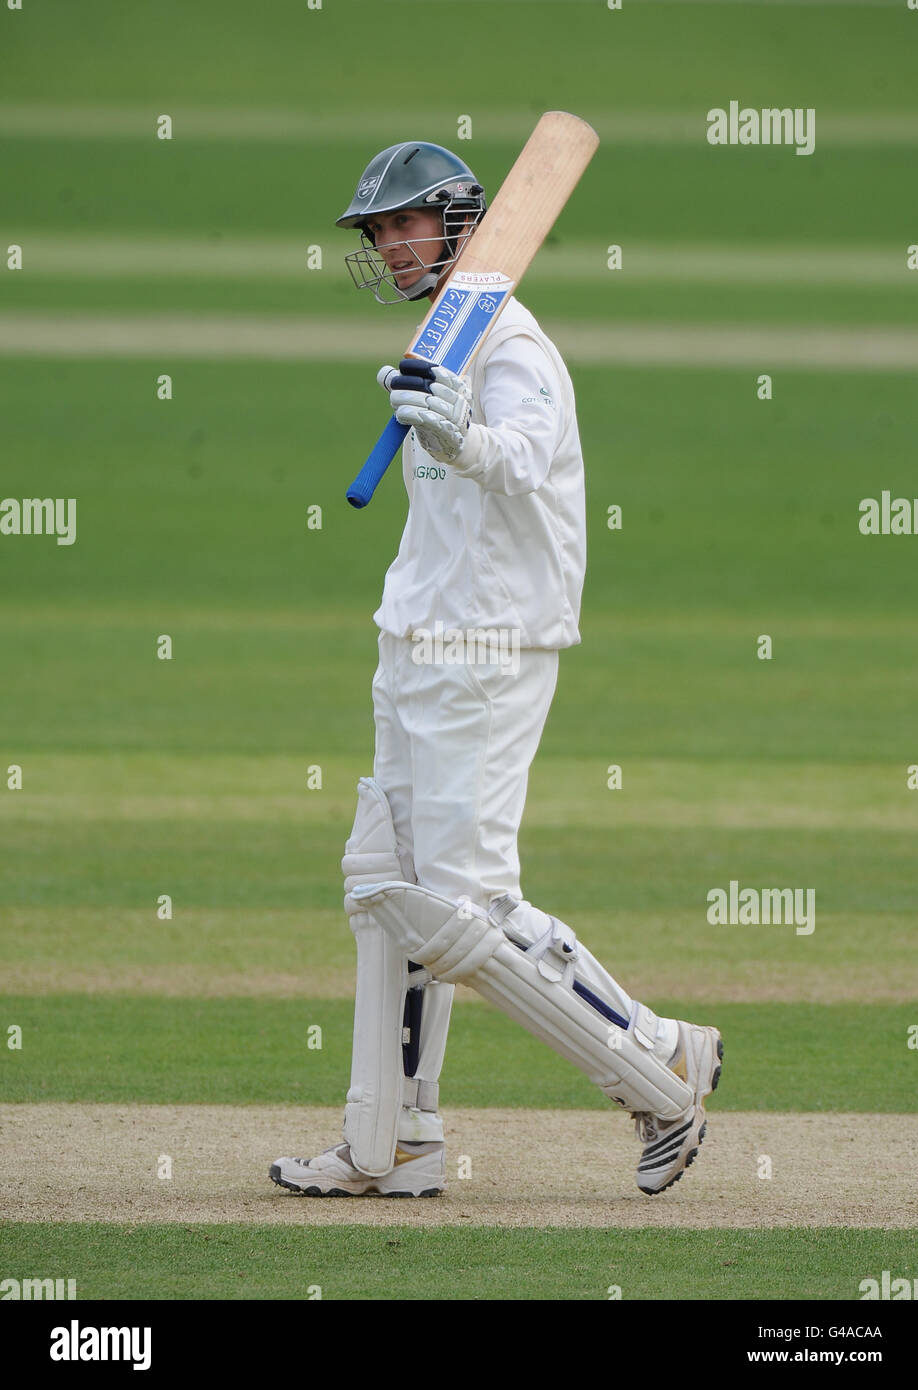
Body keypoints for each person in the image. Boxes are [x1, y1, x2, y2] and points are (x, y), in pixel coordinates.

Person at [270, 141, 722, 1199]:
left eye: (400, 227)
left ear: (459, 223)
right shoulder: (438, 343)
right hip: (413, 640)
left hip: (486, 650)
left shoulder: (512, 346)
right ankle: (391, 1144)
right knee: (384, 888)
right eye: (375, 234)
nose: (385, 248)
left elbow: (521, 459)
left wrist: (464, 431)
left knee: (463, 907)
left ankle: (657, 1072)